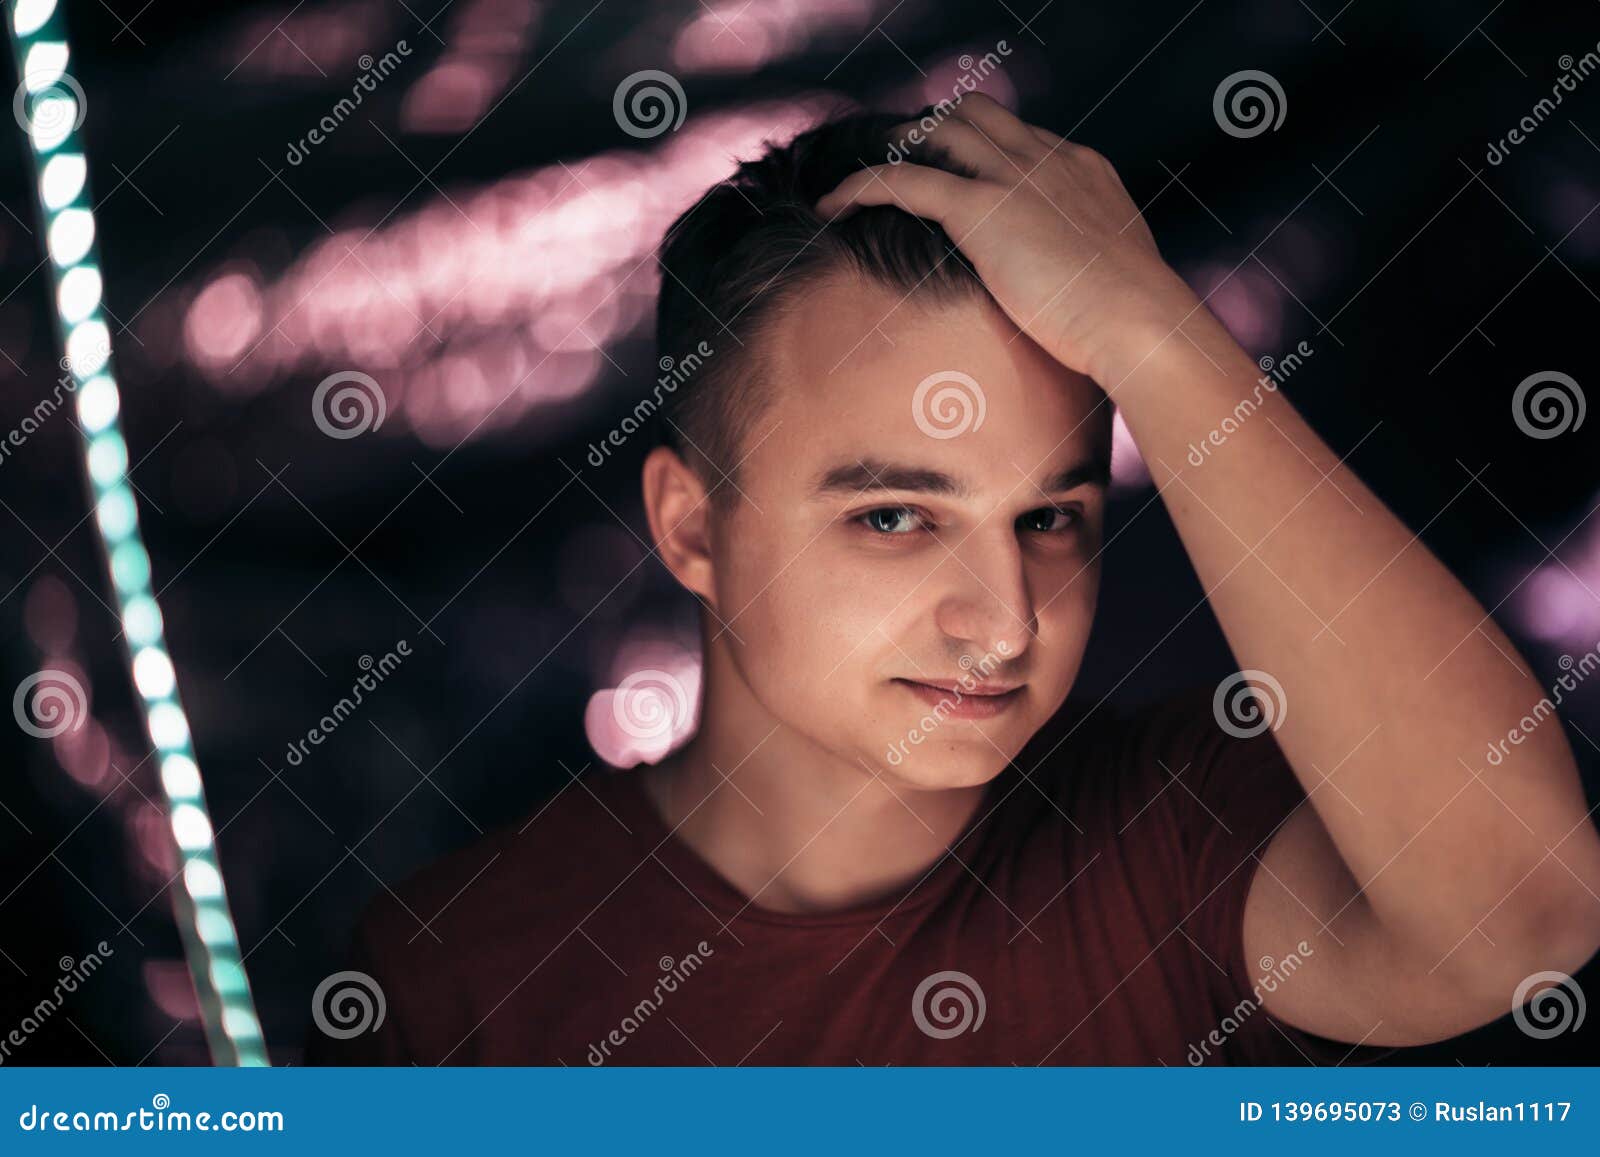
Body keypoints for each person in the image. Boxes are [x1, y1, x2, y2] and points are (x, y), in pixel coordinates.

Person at [306, 96, 1600, 1065]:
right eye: (893, 515)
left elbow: (1521, 917)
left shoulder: (1183, 832)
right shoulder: (451, 972)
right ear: (692, 528)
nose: (1007, 619)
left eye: (1048, 515)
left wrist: (1151, 327)